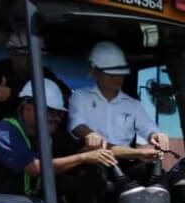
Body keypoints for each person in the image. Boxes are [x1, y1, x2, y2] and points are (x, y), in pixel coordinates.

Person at [0, 79, 116, 203]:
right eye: (50, 112)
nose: (57, 118)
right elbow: (35, 168)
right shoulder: (5, 132)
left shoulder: (45, 135)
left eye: (59, 114)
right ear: (28, 107)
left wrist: (89, 150)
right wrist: (83, 157)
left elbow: (72, 154)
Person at [69, 41, 170, 181]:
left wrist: (157, 135)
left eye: (120, 74)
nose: (118, 78)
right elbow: (76, 125)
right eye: (112, 74)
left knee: (155, 173)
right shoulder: (80, 96)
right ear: (96, 71)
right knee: (94, 175)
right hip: (95, 160)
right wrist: (89, 134)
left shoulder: (133, 105)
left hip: (126, 163)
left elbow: (148, 127)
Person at [0, 31, 65, 164]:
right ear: (12, 53)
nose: (31, 60)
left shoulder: (45, 75)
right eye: (25, 55)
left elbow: (66, 99)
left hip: (30, 143)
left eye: (36, 55)